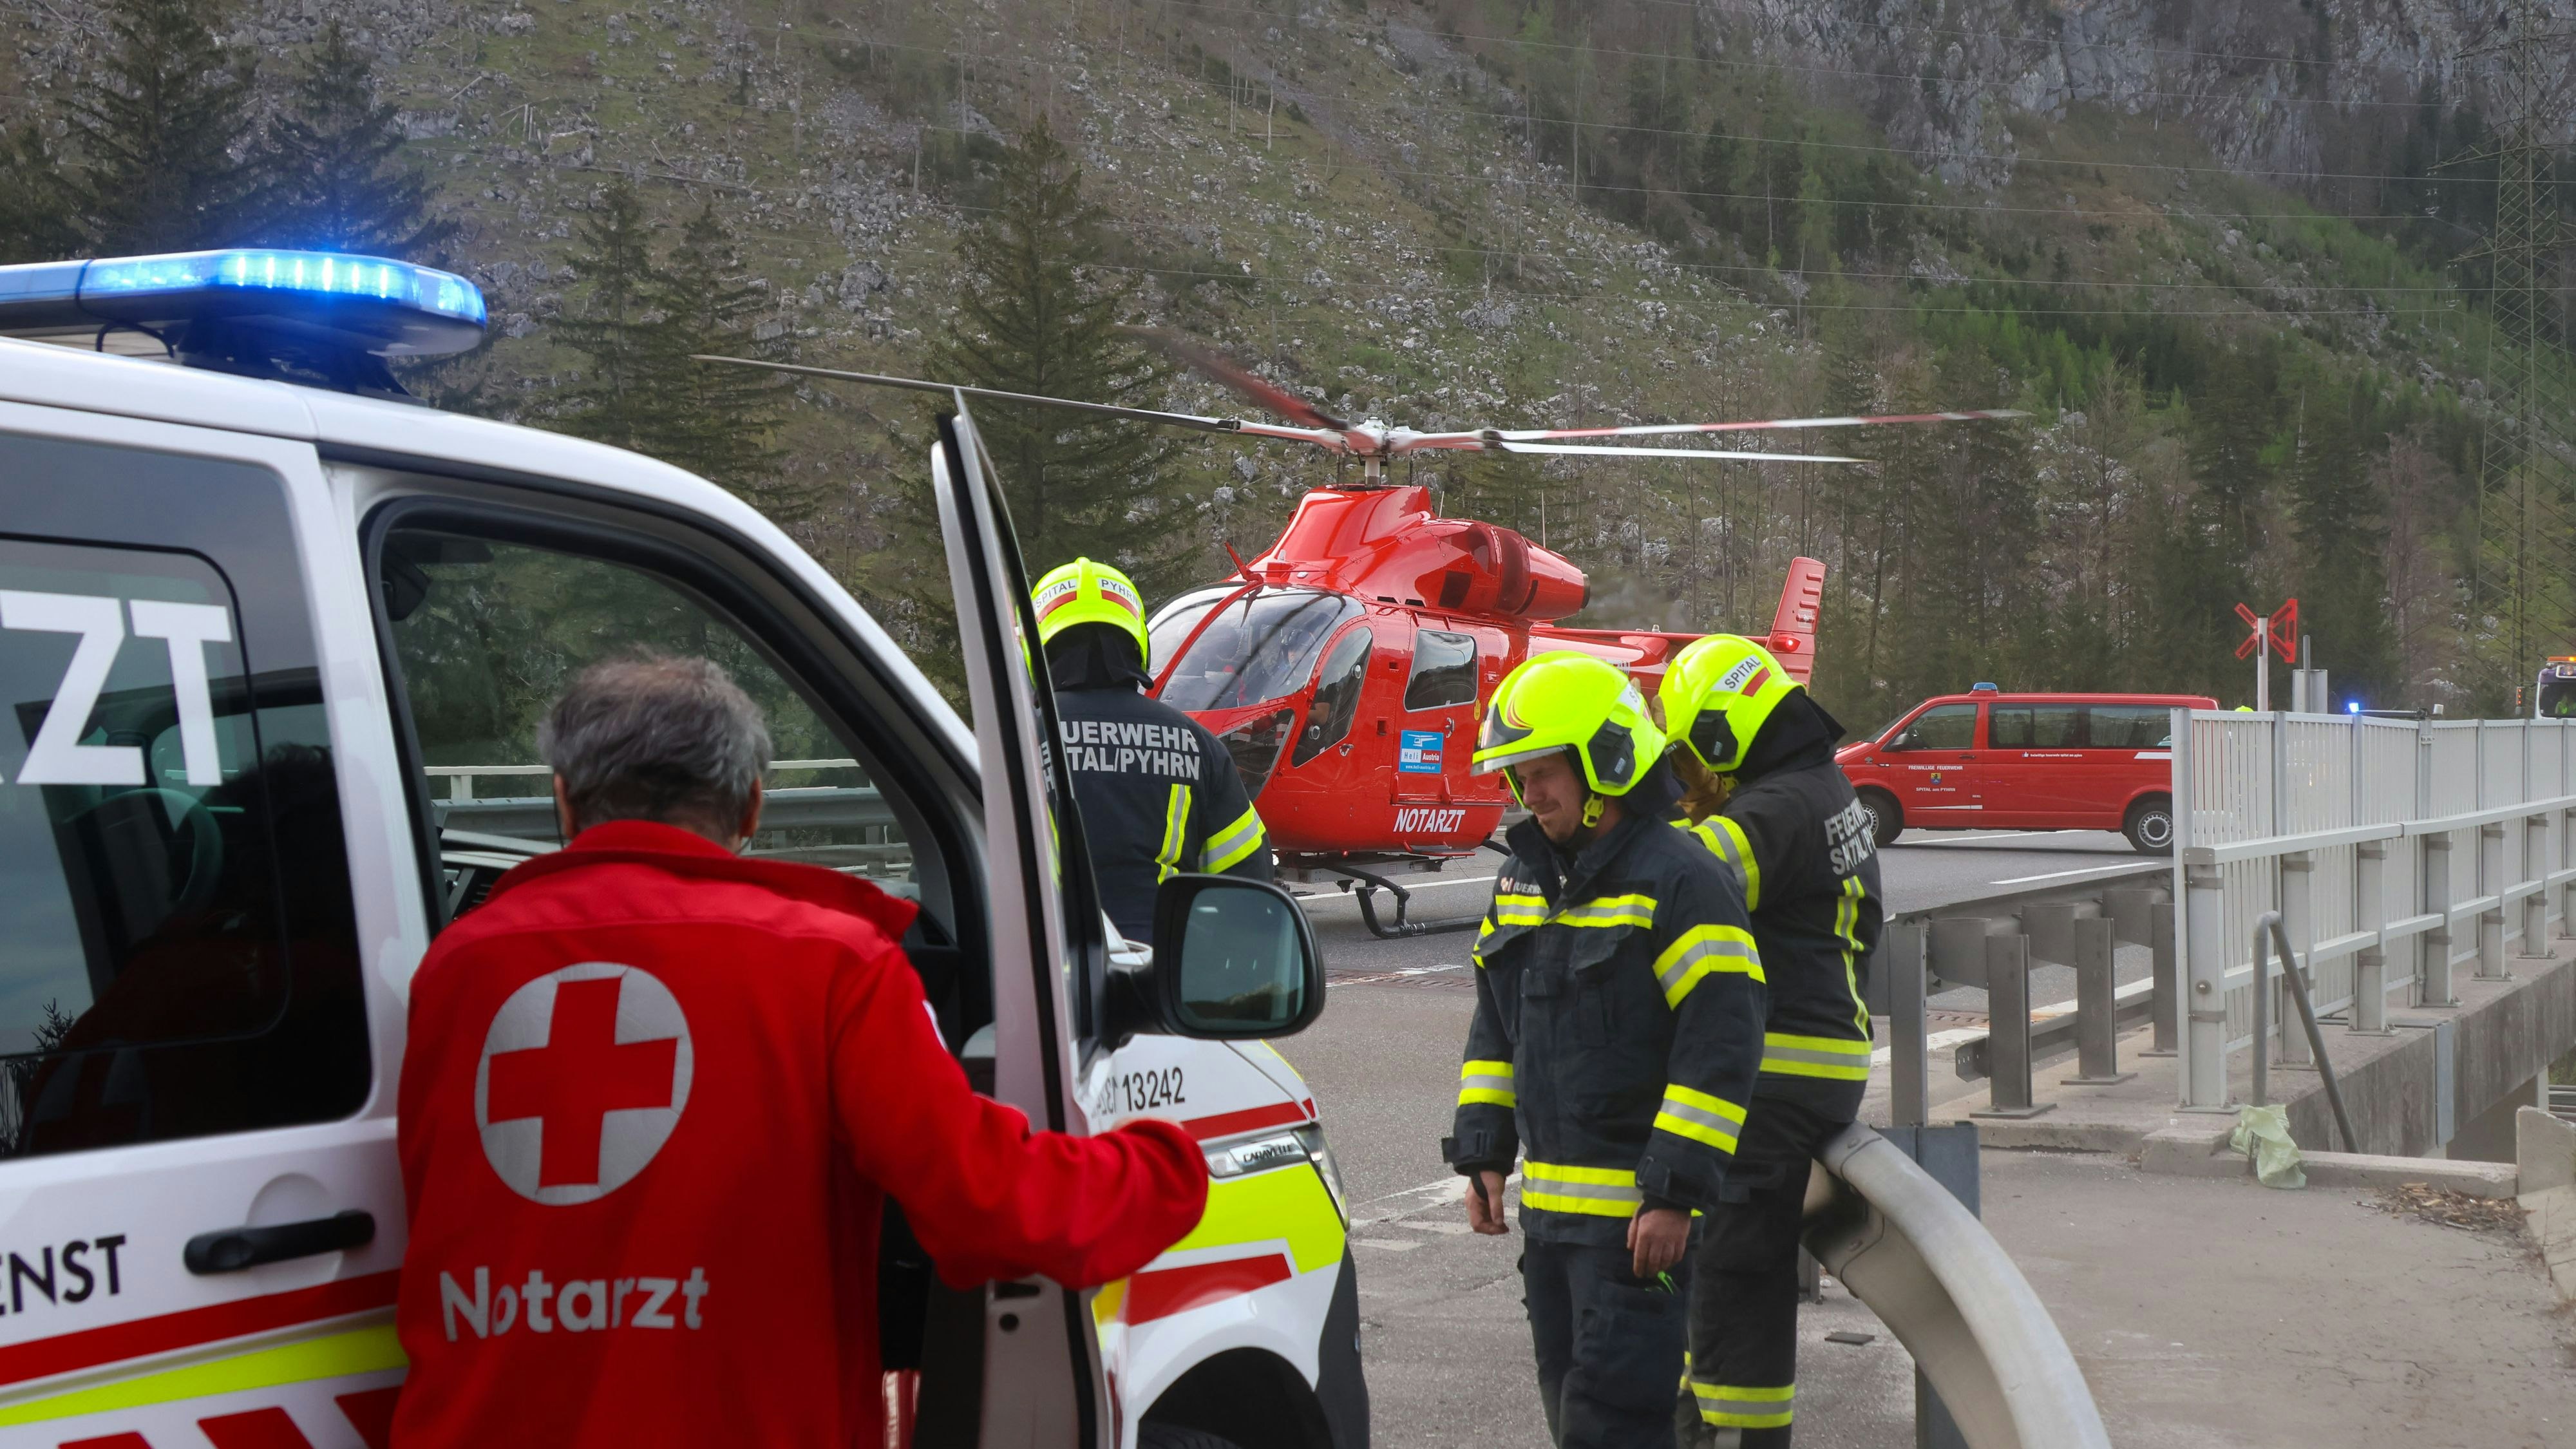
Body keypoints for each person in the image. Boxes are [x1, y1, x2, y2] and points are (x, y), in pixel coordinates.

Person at [391, 655, 1208, 1448]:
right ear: (751, 807)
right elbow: (991, 1206)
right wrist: (1168, 1168)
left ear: (564, 803)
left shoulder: (457, 970)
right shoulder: (831, 967)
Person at [1443, 652, 1768, 1449]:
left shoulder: (1681, 880)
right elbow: (1495, 1026)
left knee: (1610, 1427)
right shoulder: (1524, 876)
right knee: (1572, 1416)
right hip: (1550, 1228)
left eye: (1545, 771)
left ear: (1608, 761)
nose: (1530, 793)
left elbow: (1721, 1045)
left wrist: (1672, 1195)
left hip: (1633, 1232)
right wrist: (1484, 1153)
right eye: (1518, 776)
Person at [1657, 636, 1886, 1447]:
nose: (1689, 786)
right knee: (1721, 1279)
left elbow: (1673, 882)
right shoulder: (1817, 787)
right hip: (1811, 1064)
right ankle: (1700, 1422)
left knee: (1732, 1280)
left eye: (1688, 764)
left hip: (1777, 1076)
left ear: (1722, 737)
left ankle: (1731, 1437)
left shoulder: (1774, 813)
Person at [1035, 558, 1272, 940]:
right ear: (1137, 645)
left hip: (1040, 977)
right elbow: (1248, 878)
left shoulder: (1009, 744)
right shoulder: (1198, 745)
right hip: (1162, 976)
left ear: (1039, 650)